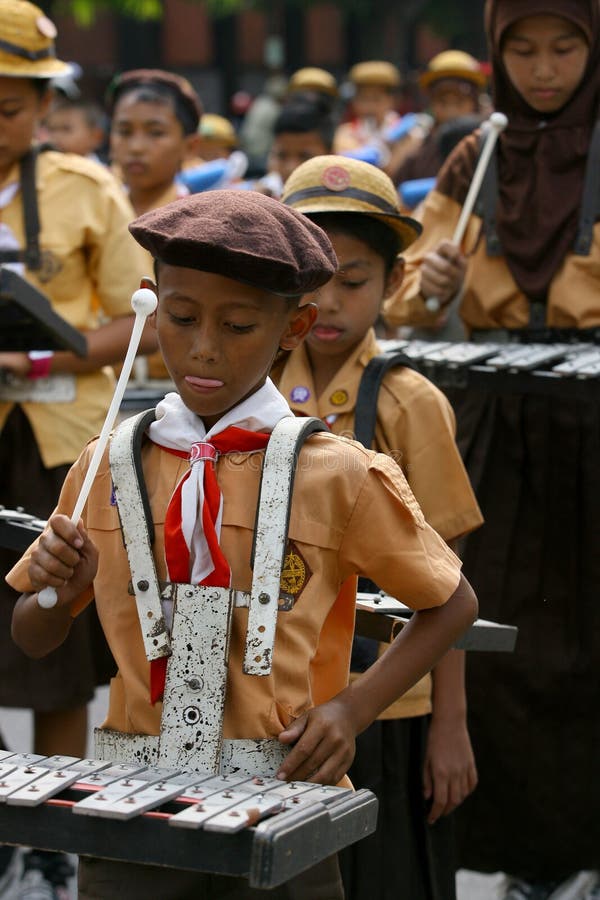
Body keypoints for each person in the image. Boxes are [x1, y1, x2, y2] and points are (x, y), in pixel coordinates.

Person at [8, 188, 478, 900]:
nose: (203, 348)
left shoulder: (340, 471)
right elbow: (36, 636)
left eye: (237, 325)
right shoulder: (104, 463)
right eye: (182, 316)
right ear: (148, 303)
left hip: (282, 798)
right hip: (132, 805)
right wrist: (53, 588)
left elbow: (453, 603)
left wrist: (352, 709)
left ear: (295, 325)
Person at [385, 2, 600, 897]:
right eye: (522, 49)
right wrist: (430, 286)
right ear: (496, 55)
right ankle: (531, 863)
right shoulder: (476, 155)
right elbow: (405, 301)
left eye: (564, 47)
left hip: (595, 423)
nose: (543, 69)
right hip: (495, 429)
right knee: (500, 640)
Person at [276, 155, 482, 900]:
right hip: (278, 695)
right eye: (311, 276)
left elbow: (448, 580)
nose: (327, 301)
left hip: (387, 698)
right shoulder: (256, 382)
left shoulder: (410, 402)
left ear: (395, 282)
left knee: (384, 876)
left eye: (353, 280)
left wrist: (450, 724)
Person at [0, 2, 155, 896]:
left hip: (56, 442)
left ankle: (54, 837)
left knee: (55, 647)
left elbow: (134, 323)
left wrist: (41, 350)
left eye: (13, 104)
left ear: (42, 102)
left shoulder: (86, 187)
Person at [107, 68, 203, 217]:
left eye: (156, 133)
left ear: (190, 146)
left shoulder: (197, 224)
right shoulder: (94, 219)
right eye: (124, 132)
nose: (136, 147)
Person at [391, 51, 486, 187]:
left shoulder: (488, 142)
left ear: (475, 102)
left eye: (459, 102)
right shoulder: (419, 144)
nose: (451, 111)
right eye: (443, 102)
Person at [261, 94, 336, 197]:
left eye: (305, 157)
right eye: (282, 156)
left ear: (331, 155)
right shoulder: (263, 195)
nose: (290, 168)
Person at [333, 60, 402, 160]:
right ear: (354, 102)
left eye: (376, 99)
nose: (370, 106)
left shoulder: (406, 130)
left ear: (391, 100)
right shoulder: (346, 132)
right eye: (363, 99)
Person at [43, 94, 107, 161]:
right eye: (51, 129)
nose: (56, 136)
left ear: (96, 137)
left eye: (66, 129)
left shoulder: (102, 170)